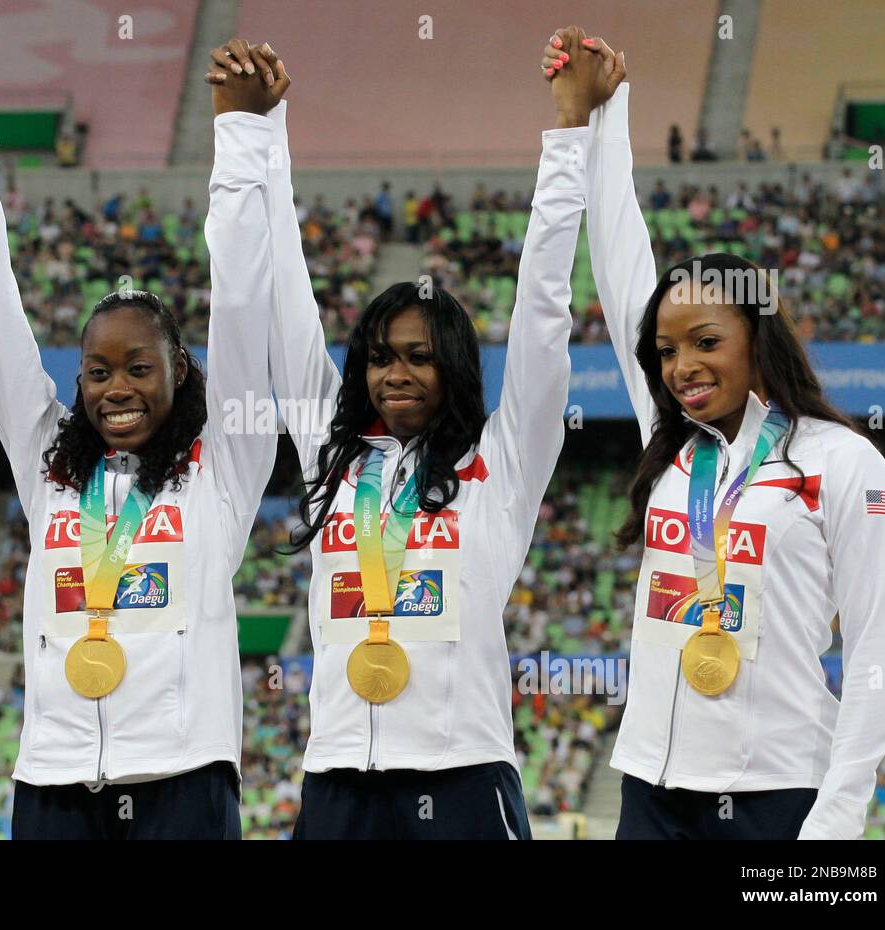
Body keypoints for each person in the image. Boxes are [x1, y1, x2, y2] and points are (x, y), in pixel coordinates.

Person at [214, 27, 600, 840]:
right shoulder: (330, 448)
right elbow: (287, 300)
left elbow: (541, 313)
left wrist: (570, 134)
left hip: (464, 782)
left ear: (454, 366)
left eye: (421, 357)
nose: (396, 373)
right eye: (382, 357)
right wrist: (263, 132)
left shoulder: (503, 457)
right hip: (337, 783)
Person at [557, 32, 885, 840]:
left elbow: (876, 655)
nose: (682, 368)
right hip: (648, 789)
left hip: (780, 799)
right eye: (667, 350)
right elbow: (620, 265)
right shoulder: (670, 443)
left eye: (706, 342)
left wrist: (838, 817)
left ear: (757, 337)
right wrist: (607, 117)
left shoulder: (843, 463)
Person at [0, 41, 283, 839]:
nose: (116, 389)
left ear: (180, 370)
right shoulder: (49, 466)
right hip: (52, 783)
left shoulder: (221, 466)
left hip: (184, 782)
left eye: (138, 368)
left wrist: (239, 134)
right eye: (96, 372)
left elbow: (240, 306)